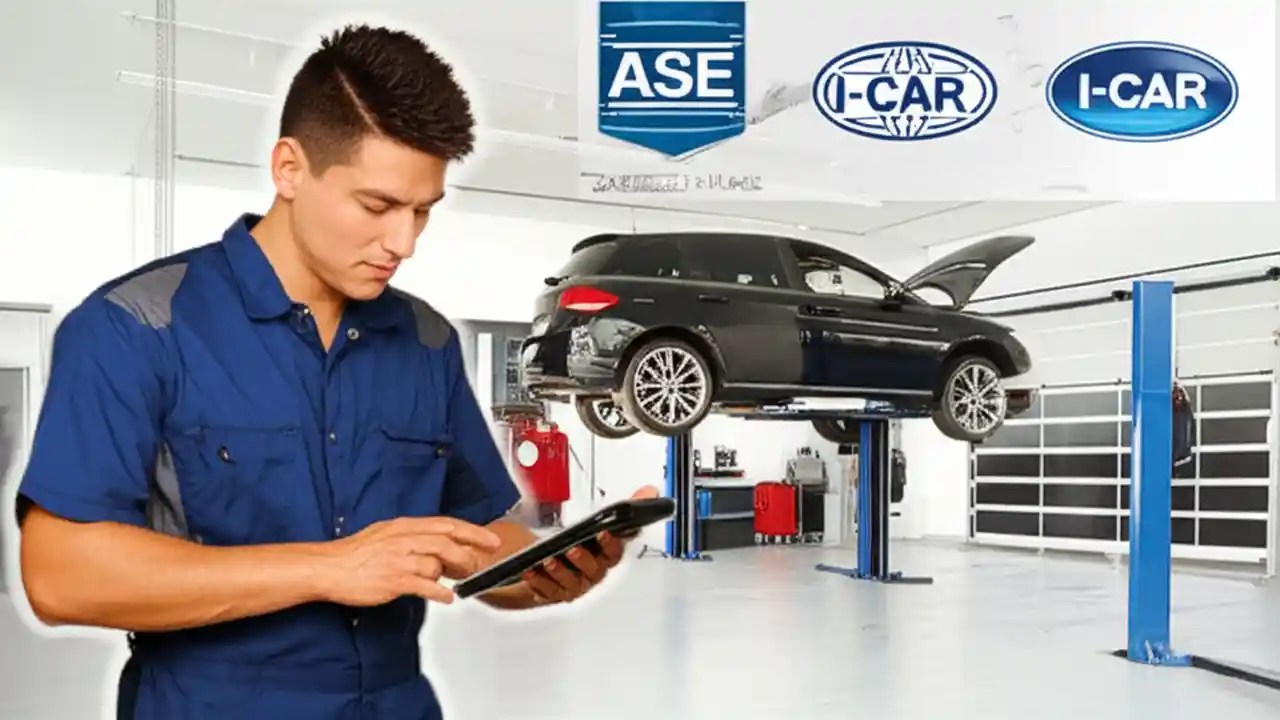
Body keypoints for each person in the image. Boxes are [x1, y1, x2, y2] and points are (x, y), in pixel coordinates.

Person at [15, 23, 655, 720]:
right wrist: (328, 567)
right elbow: (59, 575)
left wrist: (541, 571)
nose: (403, 243)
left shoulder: (425, 341)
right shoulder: (136, 326)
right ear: (290, 168)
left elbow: (475, 539)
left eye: (422, 211)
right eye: (377, 206)